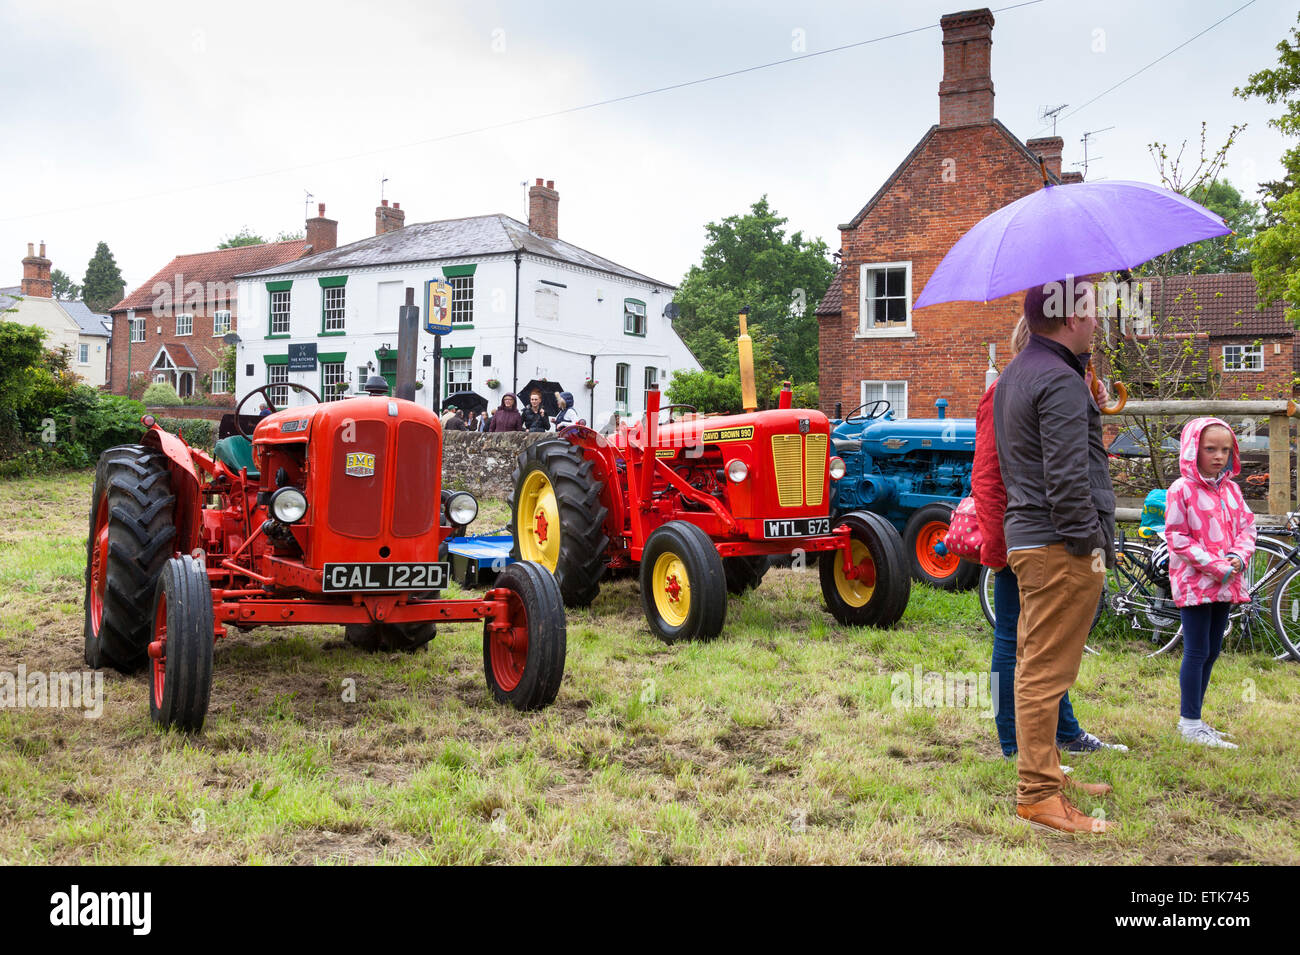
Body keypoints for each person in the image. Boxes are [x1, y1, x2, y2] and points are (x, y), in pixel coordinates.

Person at [993, 277, 1116, 835]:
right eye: (1089, 313)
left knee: (1034, 666)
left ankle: (1043, 771)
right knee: (1047, 672)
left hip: (1029, 539)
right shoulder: (1059, 380)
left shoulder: (1016, 373)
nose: (1095, 321)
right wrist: (1089, 543)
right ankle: (1038, 794)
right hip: (1060, 545)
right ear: (1068, 319)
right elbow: (1068, 481)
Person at [975, 317, 1128, 760]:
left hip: (1038, 531)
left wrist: (1092, 398)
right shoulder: (1004, 392)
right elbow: (987, 475)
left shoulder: (1061, 386)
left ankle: (1065, 732)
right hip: (1024, 534)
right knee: (1013, 638)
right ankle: (1012, 743)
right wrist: (999, 545)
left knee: (1049, 642)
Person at [1164, 418, 1256, 749]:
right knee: (1197, 649)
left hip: (1225, 583)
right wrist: (1215, 565)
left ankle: (1197, 721)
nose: (1218, 456)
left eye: (1225, 450)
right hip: (1194, 584)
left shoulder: (1231, 490)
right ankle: (1188, 722)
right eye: (1210, 449)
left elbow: (1248, 528)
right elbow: (1177, 538)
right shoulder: (1181, 490)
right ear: (1192, 450)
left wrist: (1237, 557)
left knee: (1214, 649)